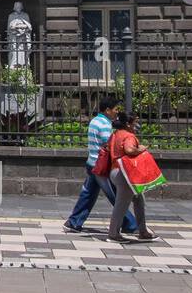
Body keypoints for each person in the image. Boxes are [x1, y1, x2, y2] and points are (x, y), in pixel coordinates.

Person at [63, 96, 137, 234]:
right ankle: (130, 224)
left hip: (92, 163)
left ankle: (73, 222)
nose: (117, 112)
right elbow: (109, 145)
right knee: (115, 195)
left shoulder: (95, 121)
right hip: (101, 165)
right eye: (115, 109)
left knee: (88, 194)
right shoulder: (104, 124)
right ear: (108, 110)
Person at [108, 113, 158, 243]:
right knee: (121, 205)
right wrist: (141, 149)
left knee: (139, 199)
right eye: (135, 122)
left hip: (115, 171)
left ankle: (143, 231)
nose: (137, 125)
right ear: (128, 124)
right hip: (124, 175)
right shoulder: (128, 136)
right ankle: (113, 234)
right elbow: (129, 150)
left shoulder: (116, 134)